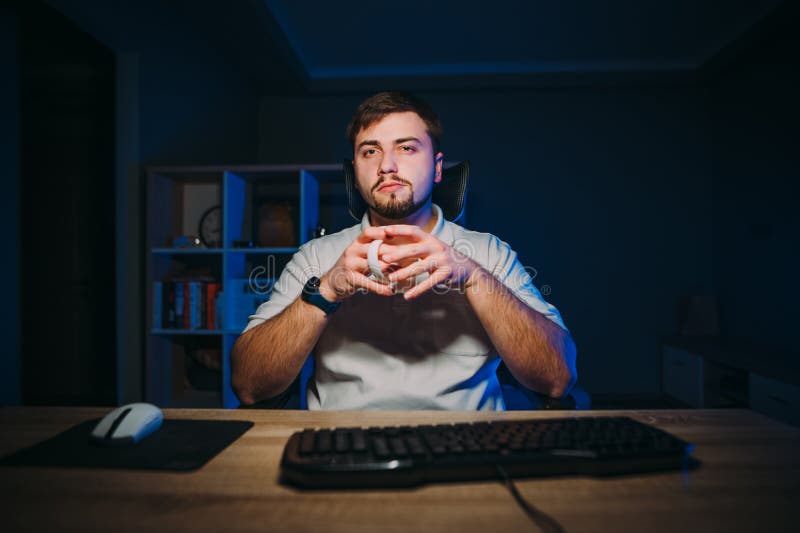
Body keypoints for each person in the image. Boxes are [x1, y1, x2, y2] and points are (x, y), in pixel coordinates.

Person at [231, 91, 577, 410]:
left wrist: (473, 277)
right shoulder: (317, 256)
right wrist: (327, 289)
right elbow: (248, 385)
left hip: (465, 444)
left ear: (438, 168)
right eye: (370, 151)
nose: (387, 166)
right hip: (342, 444)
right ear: (355, 172)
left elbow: (558, 379)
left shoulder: (488, 253)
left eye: (406, 148)